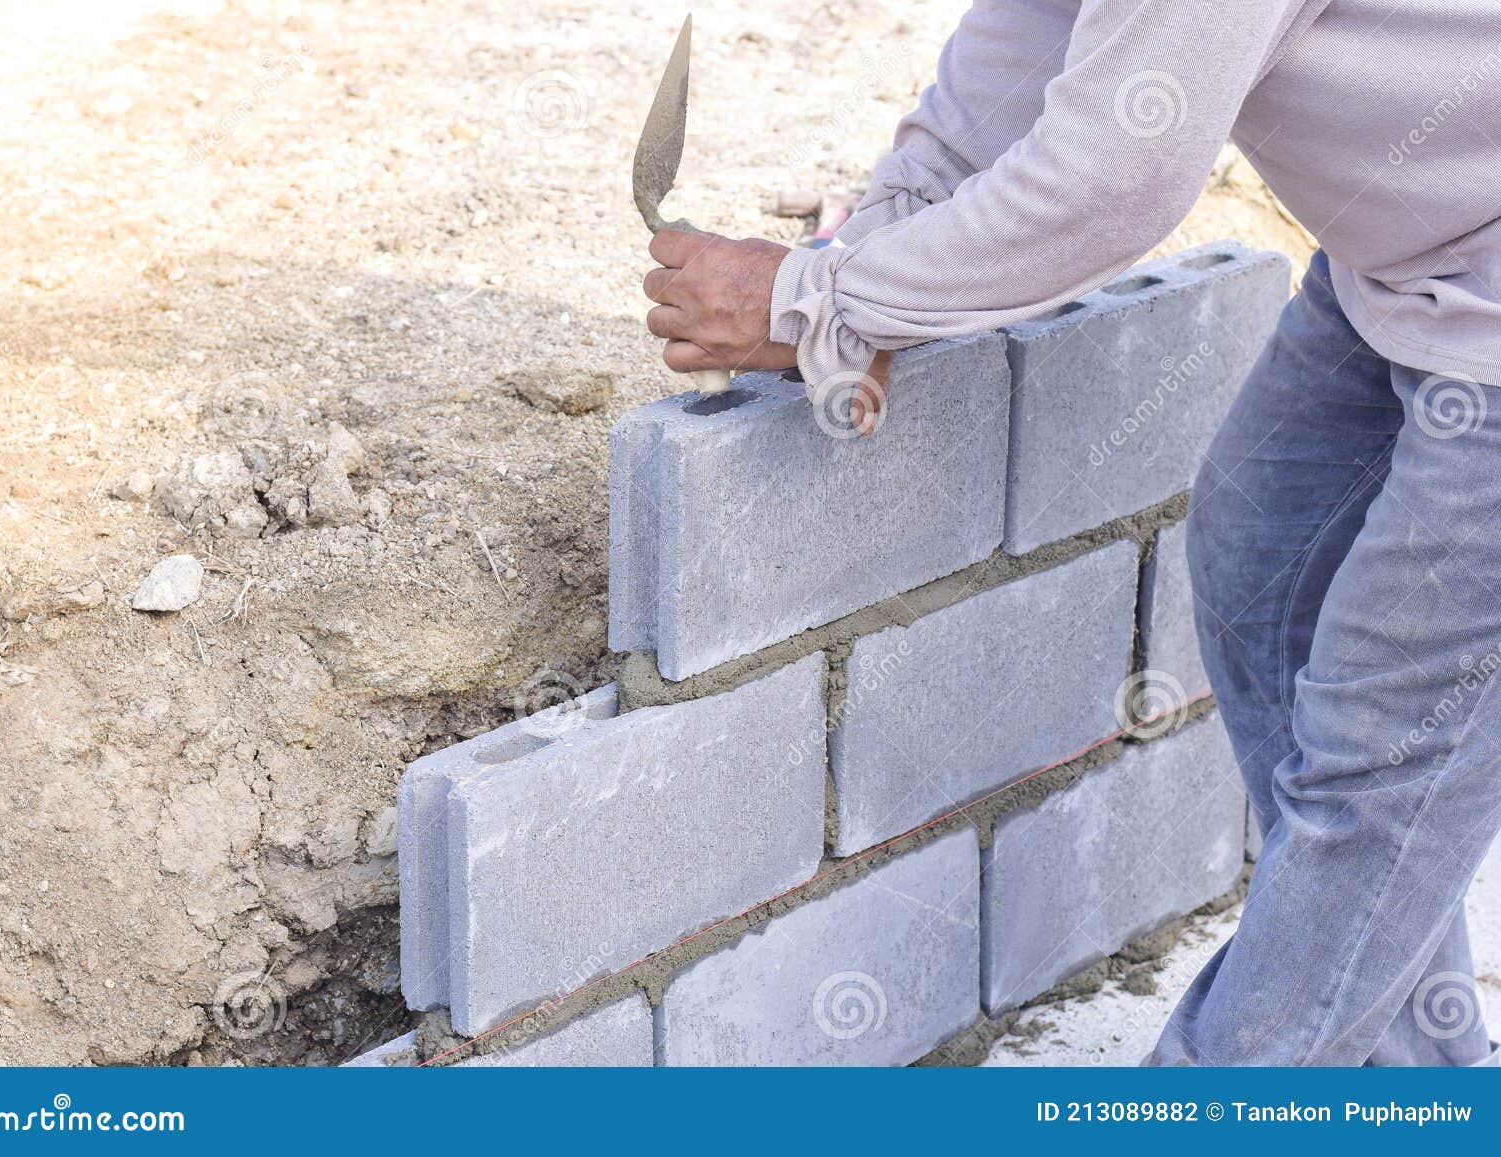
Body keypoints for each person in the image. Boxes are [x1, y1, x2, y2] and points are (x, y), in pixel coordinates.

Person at [643, 0, 1501, 1066]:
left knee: (1388, 754)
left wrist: (820, 298)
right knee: (1260, 568)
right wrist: (853, 286)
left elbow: (1110, 181)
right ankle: (1409, 1081)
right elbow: (1012, 64)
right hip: (1417, 256)